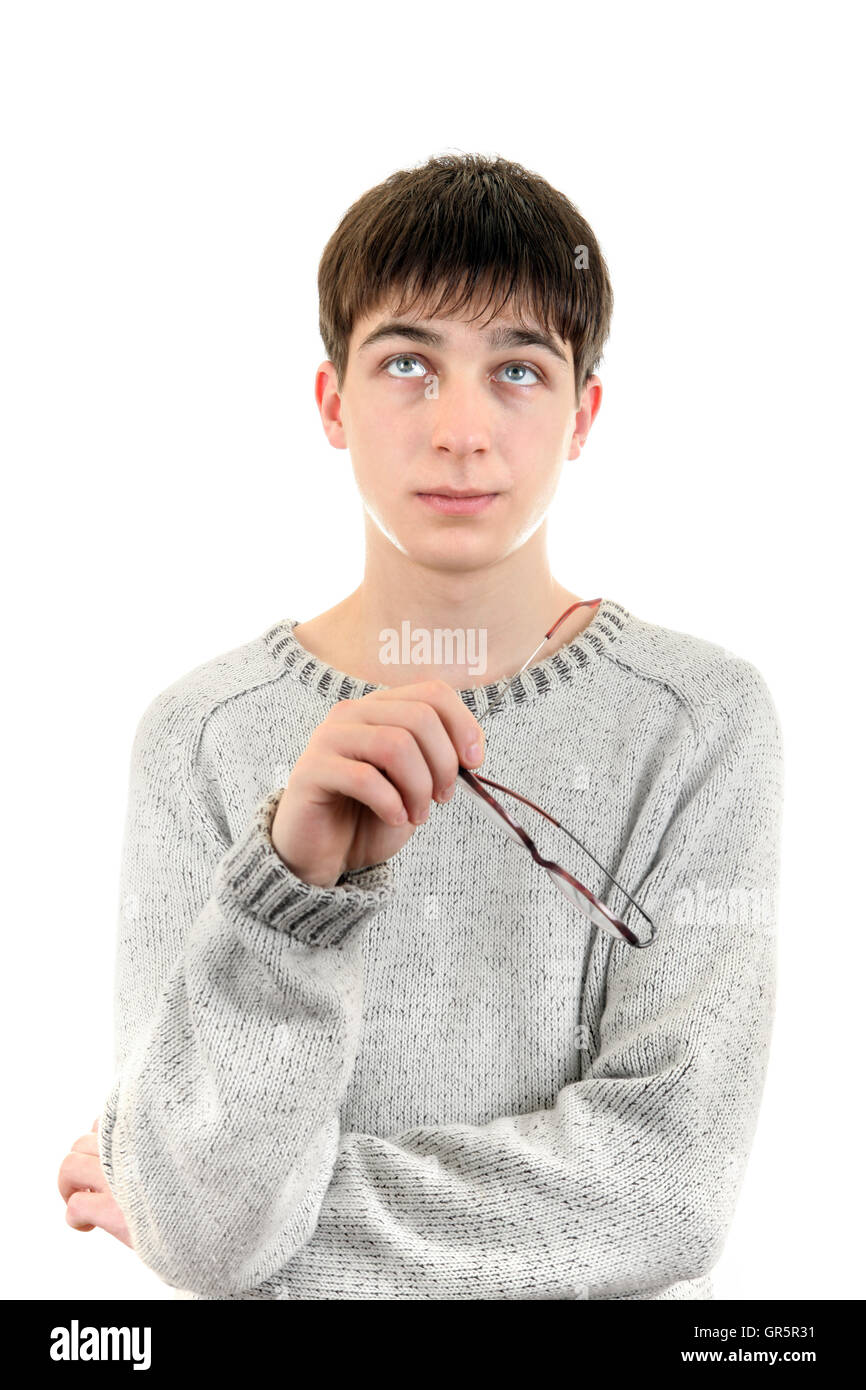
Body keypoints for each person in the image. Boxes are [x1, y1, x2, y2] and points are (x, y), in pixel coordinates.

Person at [58, 152, 784, 1300]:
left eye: (516, 369)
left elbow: (666, 1189)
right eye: (407, 362)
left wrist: (241, 1226)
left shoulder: (695, 720)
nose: (460, 429)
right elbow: (196, 1217)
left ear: (582, 414)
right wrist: (288, 890)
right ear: (331, 401)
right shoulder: (199, 736)